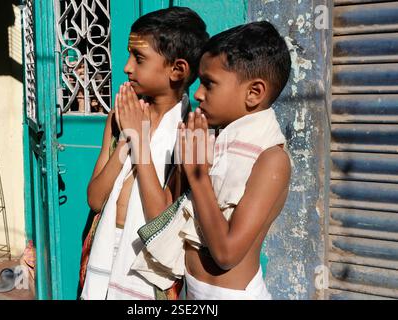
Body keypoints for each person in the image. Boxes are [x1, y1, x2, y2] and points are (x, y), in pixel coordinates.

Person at [132, 21, 292, 300]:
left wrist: (197, 174)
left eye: (209, 83)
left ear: (254, 93)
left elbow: (226, 253)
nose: (197, 94)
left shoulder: (271, 160)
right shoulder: (212, 142)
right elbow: (173, 211)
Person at [80, 7, 209, 300]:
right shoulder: (119, 117)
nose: (127, 67)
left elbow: (161, 219)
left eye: (139, 59)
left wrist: (139, 141)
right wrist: (126, 140)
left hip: (149, 273)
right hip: (103, 255)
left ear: (178, 70)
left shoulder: (194, 130)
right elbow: (95, 198)